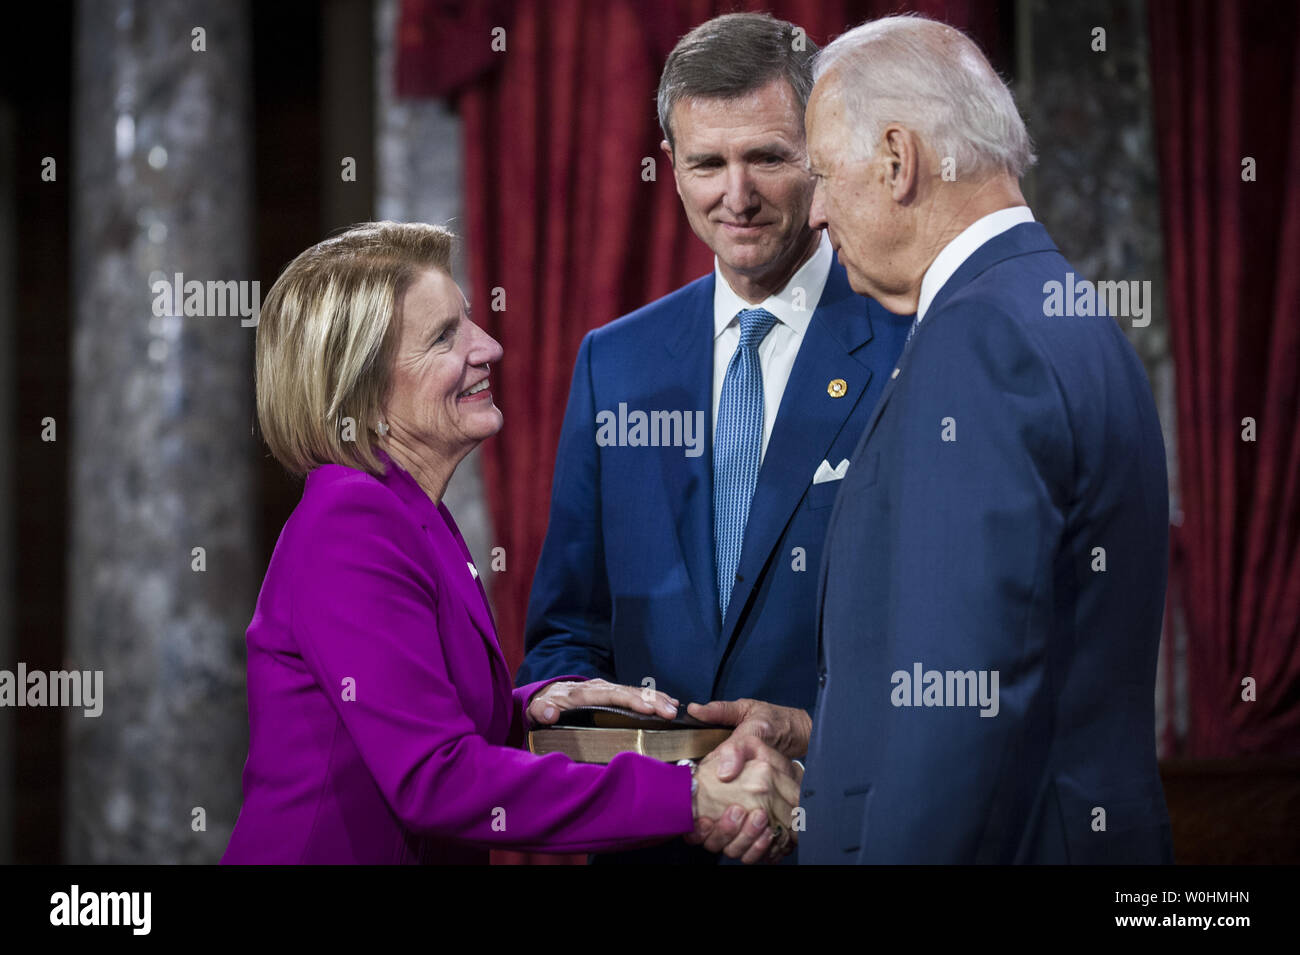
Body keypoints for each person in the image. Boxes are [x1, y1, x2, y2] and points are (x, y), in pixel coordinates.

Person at [222, 222, 799, 865]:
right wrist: (686, 797)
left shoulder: (410, 513)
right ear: (362, 393)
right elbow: (434, 779)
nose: (489, 346)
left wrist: (531, 707)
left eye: (468, 320)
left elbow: (415, 711)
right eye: (445, 337)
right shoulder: (350, 527)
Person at [517, 11, 909, 864]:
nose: (737, 195)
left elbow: (951, 642)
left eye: (767, 156)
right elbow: (565, 632)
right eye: (707, 162)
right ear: (671, 166)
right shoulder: (613, 363)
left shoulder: (909, 345)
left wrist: (808, 748)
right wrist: (562, 695)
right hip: (656, 843)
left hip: (846, 834)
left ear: (820, 152)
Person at [792, 15, 1173, 862]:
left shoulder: (976, 339)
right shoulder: (1069, 312)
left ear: (898, 160)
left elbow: (956, 705)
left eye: (822, 174)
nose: (814, 212)